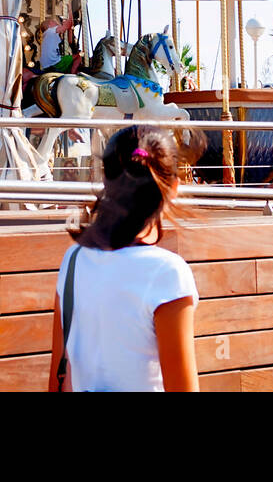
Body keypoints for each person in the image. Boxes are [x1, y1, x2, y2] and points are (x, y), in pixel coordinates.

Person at [48, 125, 205, 392]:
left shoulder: (74, 259)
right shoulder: (167, 273)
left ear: (107, 181)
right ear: (173, 187)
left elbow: (58, 379)